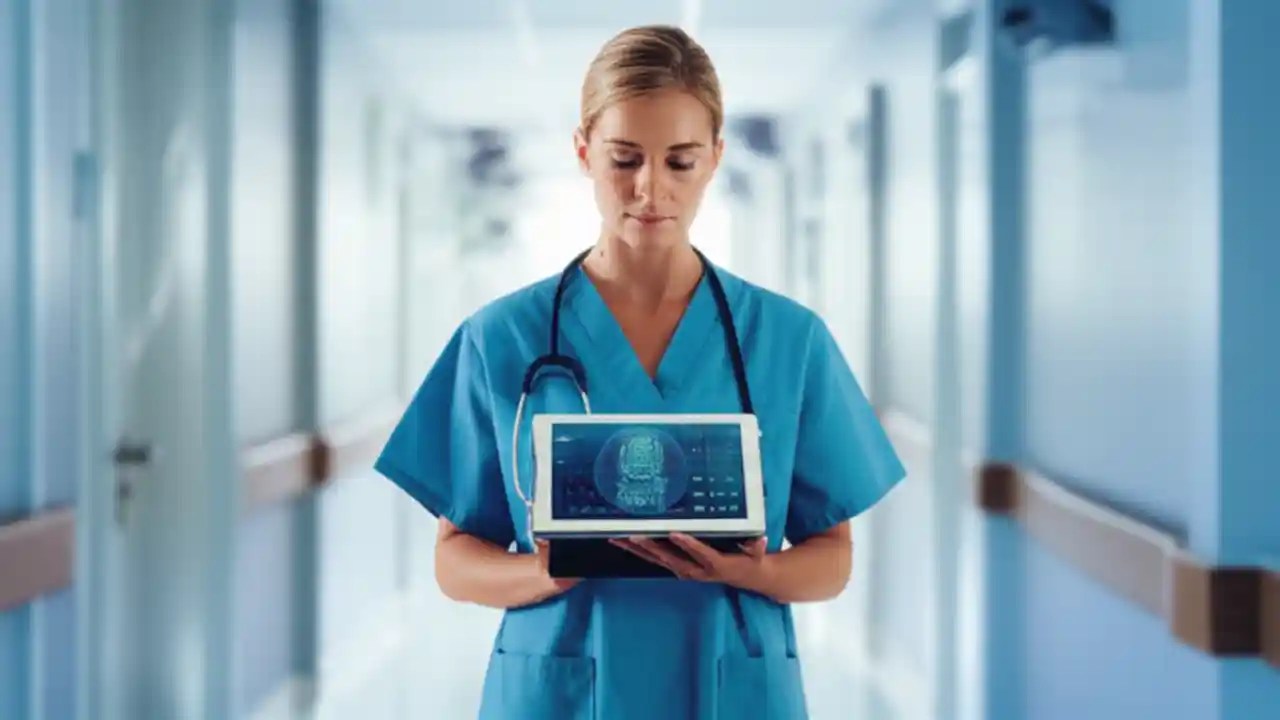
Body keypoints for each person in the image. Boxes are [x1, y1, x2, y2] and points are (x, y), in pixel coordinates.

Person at [375, 24, 905, 720]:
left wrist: (757, 571)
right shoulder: (502, 338)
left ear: (715, 159)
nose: (650, 188)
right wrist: (543, 571)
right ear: (583, 151)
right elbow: (455, 561)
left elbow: (832, 559)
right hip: (559, 687)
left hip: (729, 686)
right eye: (624, 159)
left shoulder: (787, 339)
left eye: (680, 161)